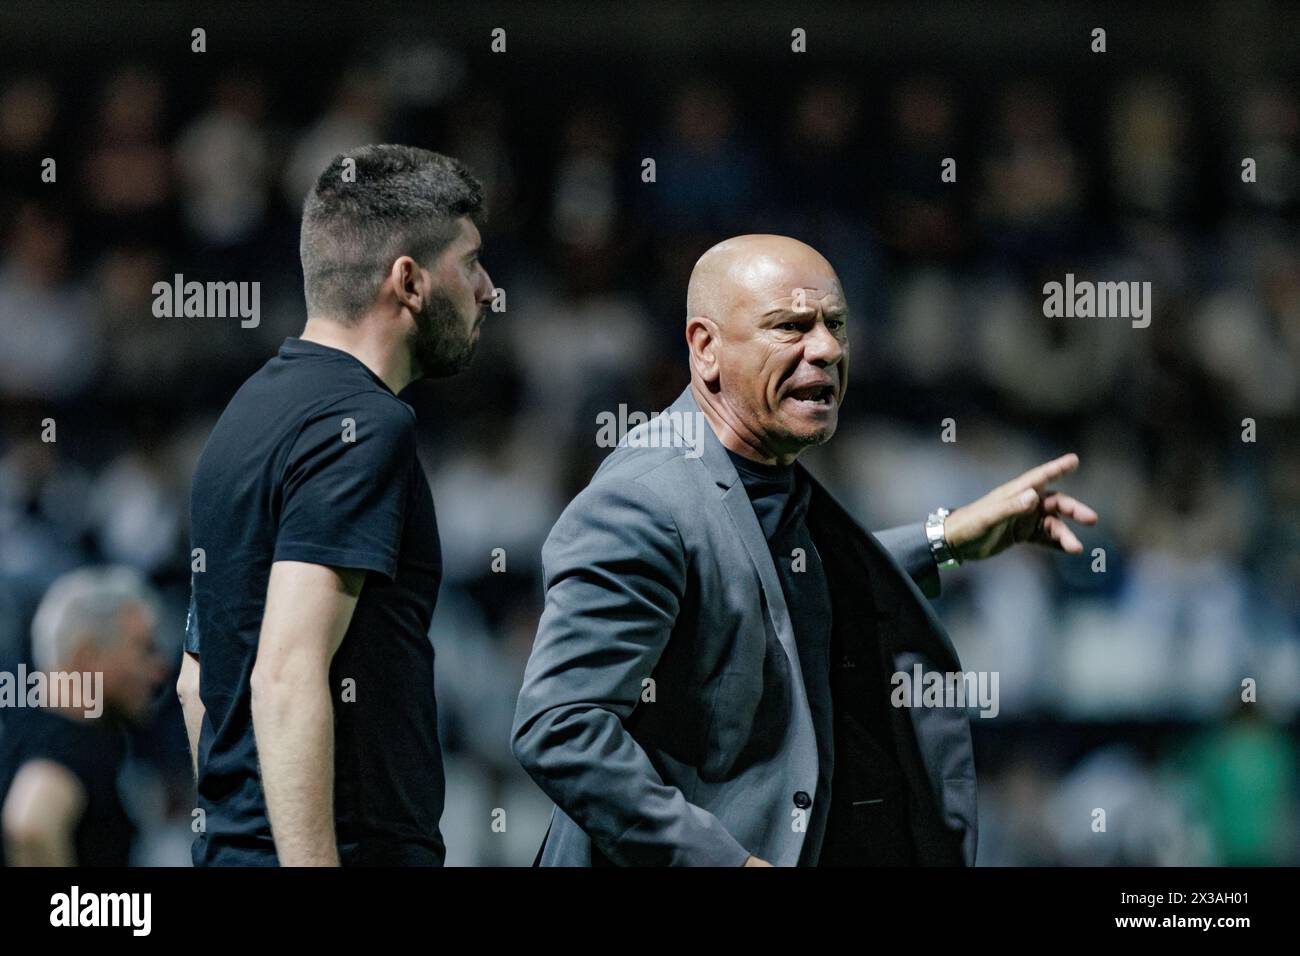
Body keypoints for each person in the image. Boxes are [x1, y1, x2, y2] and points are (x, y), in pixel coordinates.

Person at [512, 234, 1097, 866]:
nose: (825, 349)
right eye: (790, 327)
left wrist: (945, 539)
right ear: (705, 348)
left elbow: (769, 589)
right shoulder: (642, 501)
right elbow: (561, 726)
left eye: (835, 325)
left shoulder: (758, 470)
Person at [180, 145, 494, 866]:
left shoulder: (245, 418)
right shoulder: (364, 428)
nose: (486, 289)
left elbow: (197, 680)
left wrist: (240, 838)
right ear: (408, 281)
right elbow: (286, 673)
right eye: (471, 262)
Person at [1, 566, 165, 866]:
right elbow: (30, 826)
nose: (157, 670)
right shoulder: (69, 740)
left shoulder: (31, 727)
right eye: (143, 649)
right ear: (87, 657)